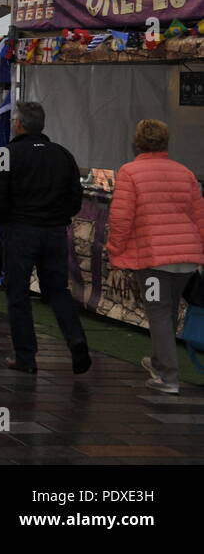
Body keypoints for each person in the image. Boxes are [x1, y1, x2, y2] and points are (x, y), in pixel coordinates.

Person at [0, 101, 91, 375]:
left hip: (21, 231)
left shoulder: (7, 154)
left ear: (20, 124)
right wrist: (60, 217)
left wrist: (3, 220)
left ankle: (26, 356)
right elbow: (75, 197)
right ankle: (76, 339)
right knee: (57, 290)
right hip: (54, 231)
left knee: (18, 292)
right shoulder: (62, 155)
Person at [107, 119, 204, 394]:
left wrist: (115, 247)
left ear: (138, 142)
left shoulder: (130, 172)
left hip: (153, 259)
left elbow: (121, 217)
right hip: (185, 258)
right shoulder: (185, 173)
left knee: (159, 311)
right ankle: (161, 363)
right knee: (168, 310)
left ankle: (169, 377)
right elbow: (200, 216)